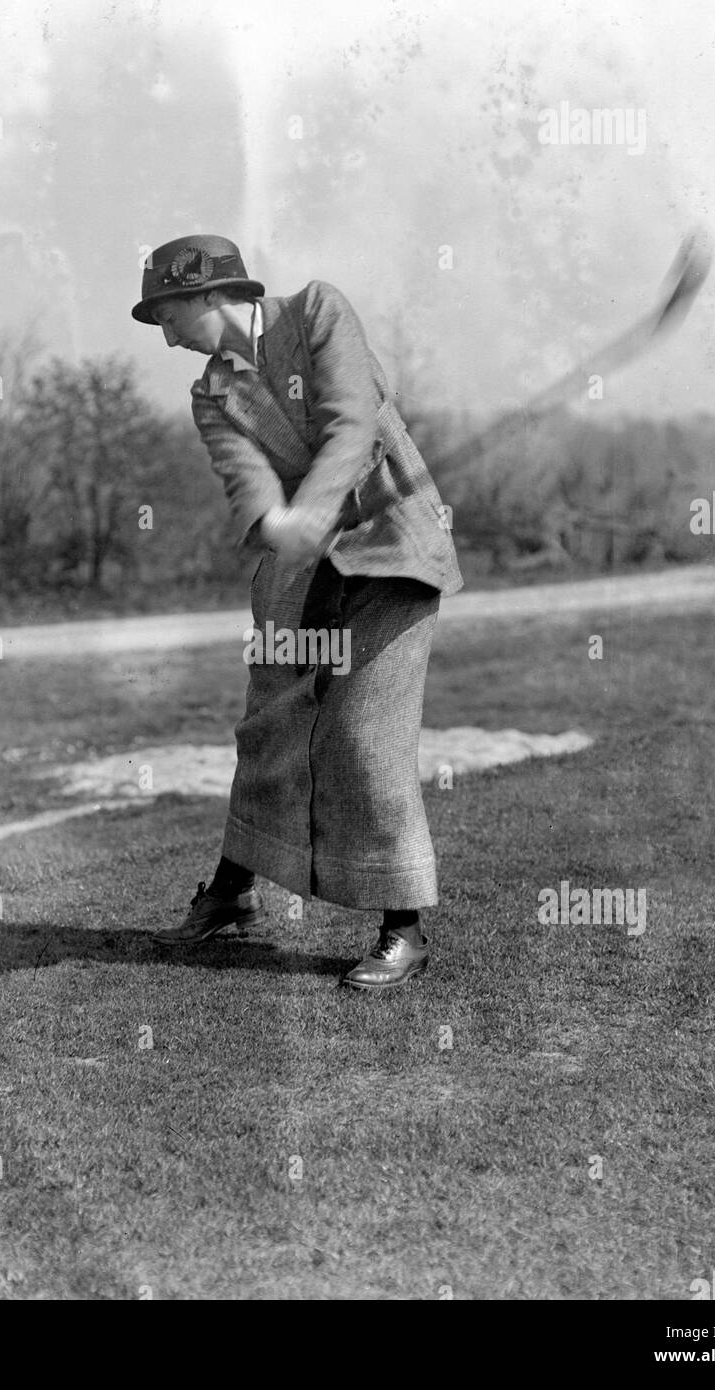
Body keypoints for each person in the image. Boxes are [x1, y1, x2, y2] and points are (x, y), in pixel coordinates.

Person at [132, 235, 462, 989]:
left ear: (212, 296)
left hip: (391, 549)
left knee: (360, 732)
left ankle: (402, 930)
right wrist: (278, 523)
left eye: (168, 311)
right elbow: (245, 478)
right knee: (269, 722)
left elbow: (351, 423)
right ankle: (230, 895)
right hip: (300, 563)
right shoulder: (209, 393)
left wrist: (311, 508)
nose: (165, 331)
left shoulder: (316, 312)